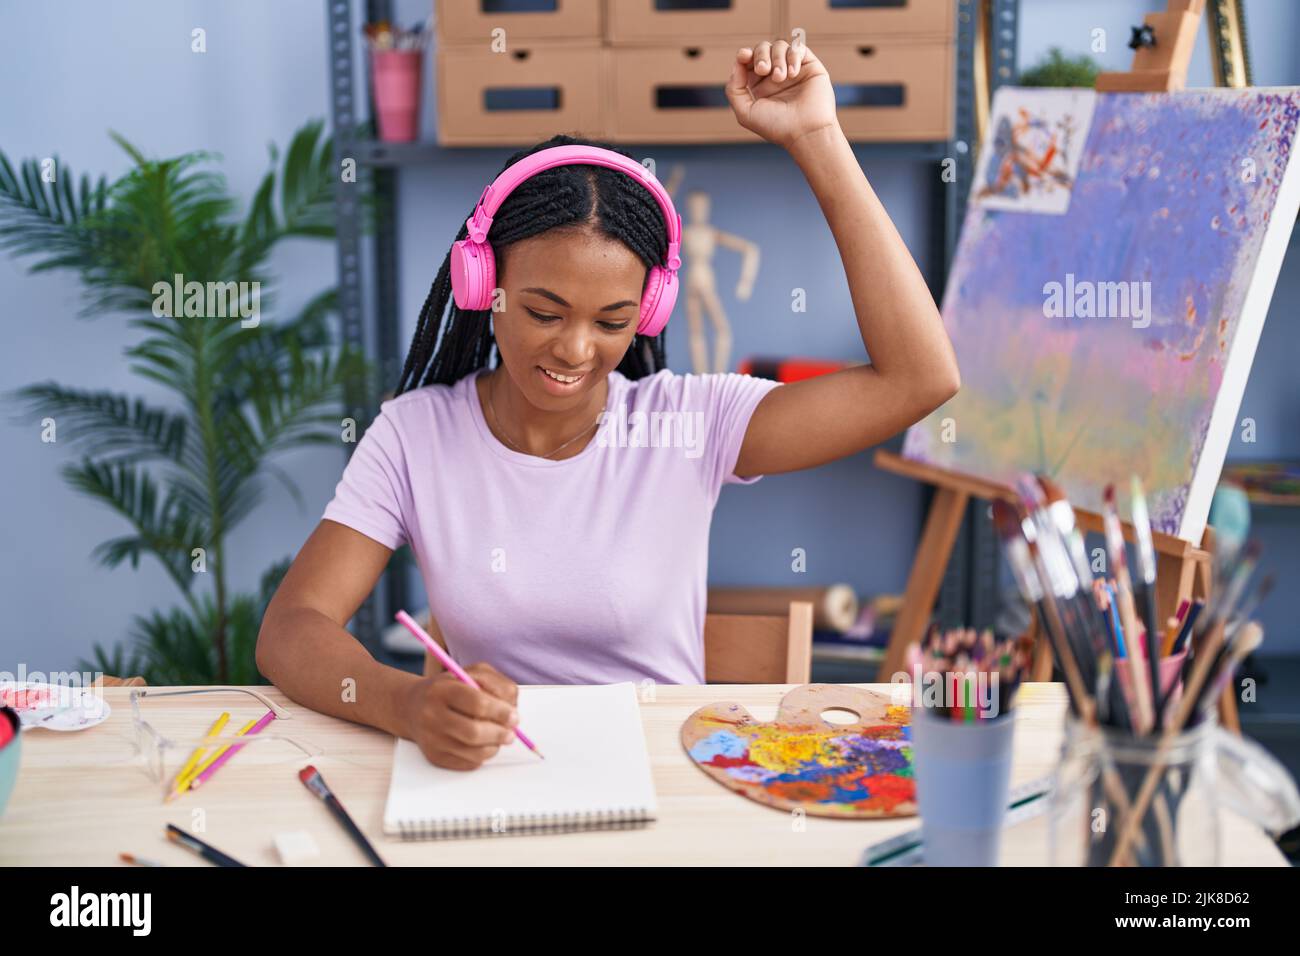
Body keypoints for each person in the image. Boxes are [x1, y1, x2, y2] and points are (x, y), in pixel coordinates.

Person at [257, 38, 960, 770]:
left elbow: (918, 379)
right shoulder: (414, 435)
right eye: (544, 311)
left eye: (612, 321)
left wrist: (817, 137)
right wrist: (405, 703)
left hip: (669, 781)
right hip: (492, 780)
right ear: (481, 284)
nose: (574, 350)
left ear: (649, 312)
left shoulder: (689, 425)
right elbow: (291, 628)